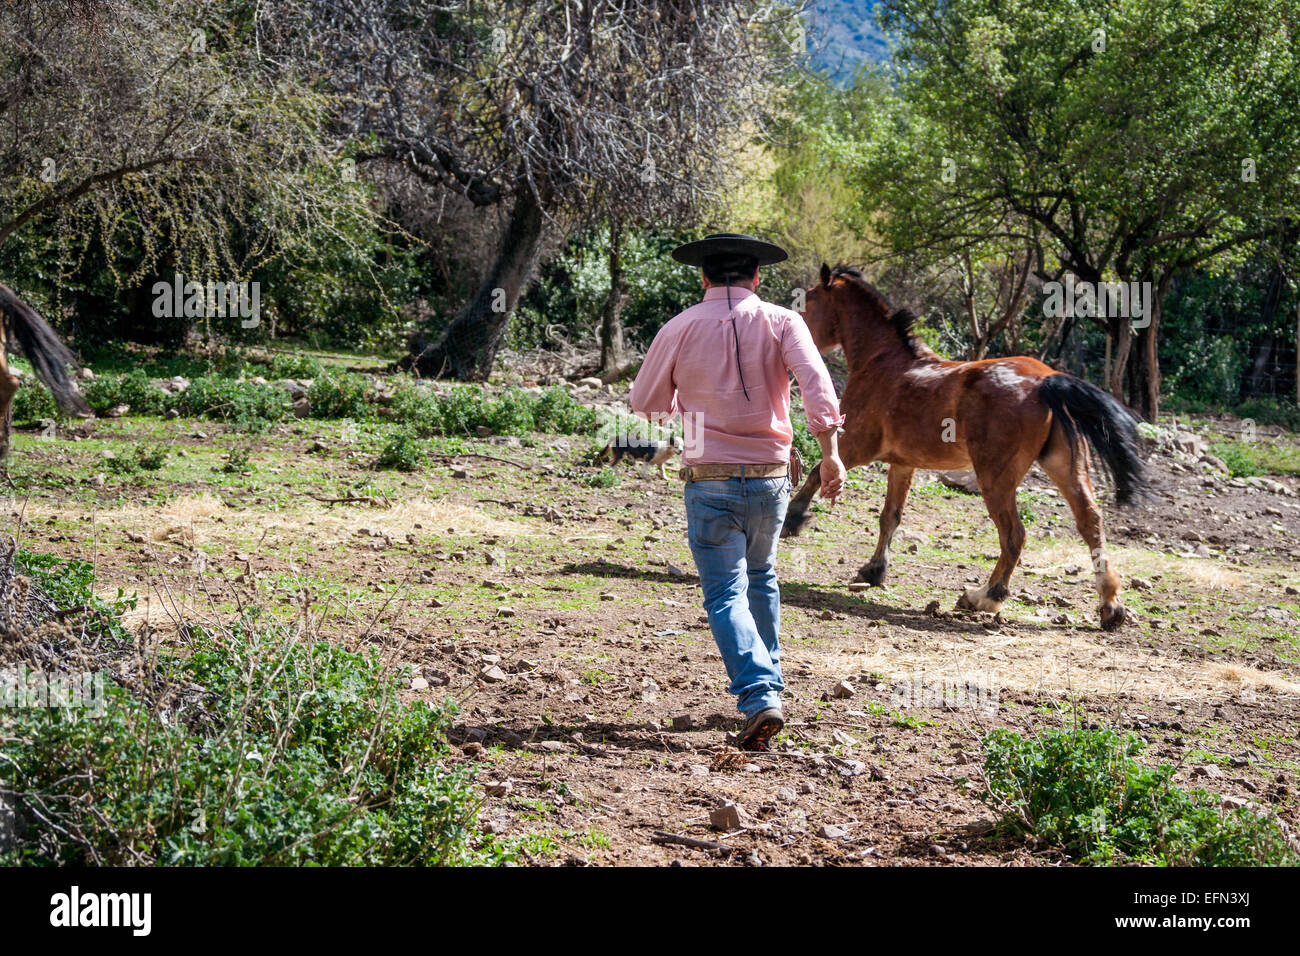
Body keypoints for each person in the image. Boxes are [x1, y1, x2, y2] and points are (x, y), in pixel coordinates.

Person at [629, 233, 846, 750]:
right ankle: (770, 684)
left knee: (726, 591)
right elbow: (816, 383)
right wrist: (831, 451)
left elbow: (646, 405)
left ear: (703, 278)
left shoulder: (678, 326)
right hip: (773, 478)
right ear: (755, 277)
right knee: (761, 575)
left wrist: (687, 406)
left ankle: (758, 693)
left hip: (709, 480)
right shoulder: (783, 320)